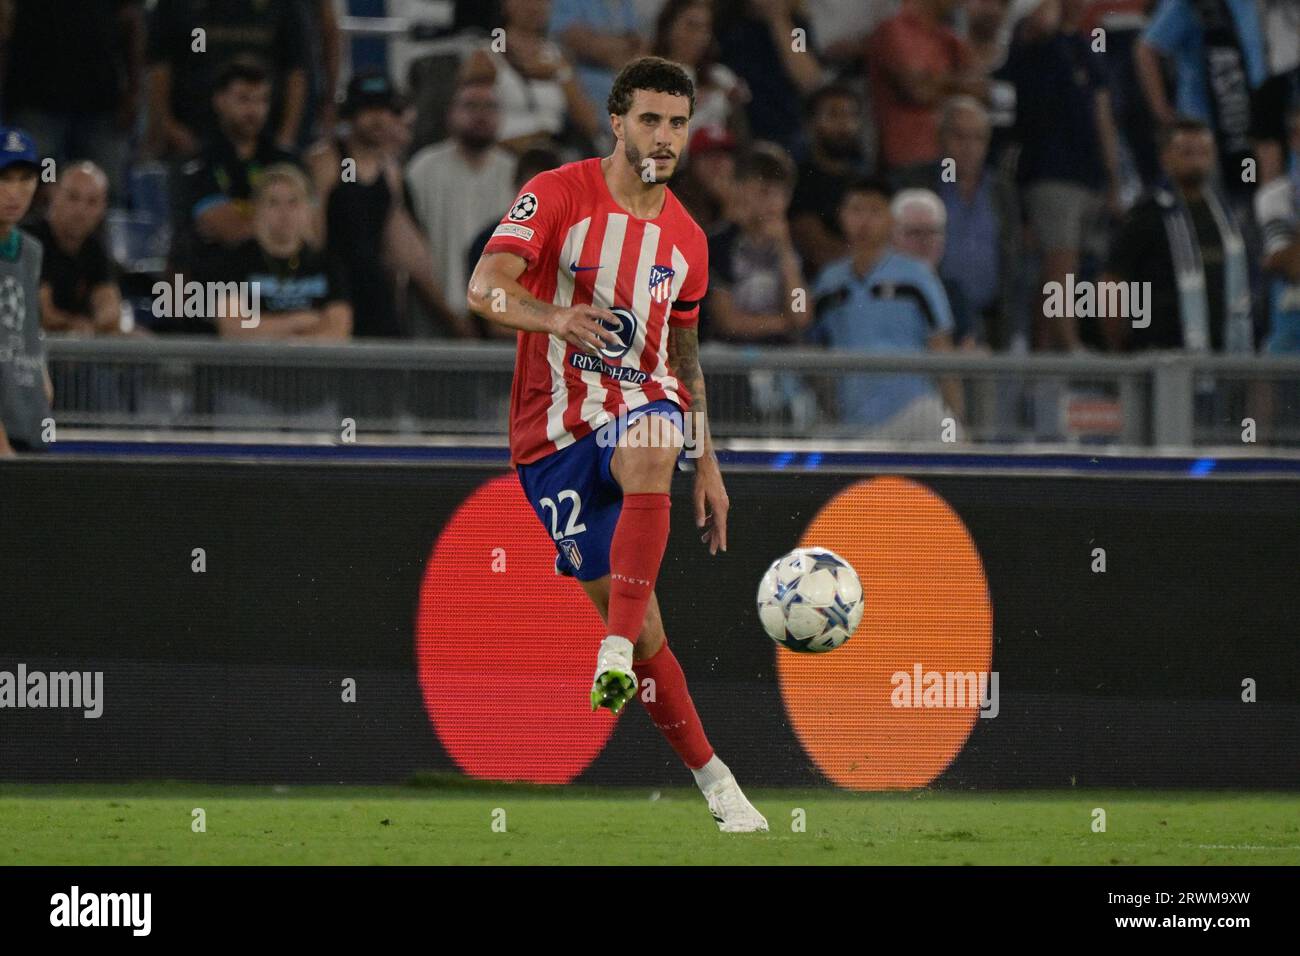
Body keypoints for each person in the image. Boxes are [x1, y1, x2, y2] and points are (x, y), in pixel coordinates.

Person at [466, 56, 768, 832]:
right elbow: (483, 287)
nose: (663, 137)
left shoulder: (689, 243)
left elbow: (684, 358)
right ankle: (713, 775)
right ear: (617, 120)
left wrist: (709, 461)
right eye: (649, 120)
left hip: (641, 408)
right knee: (650, 638)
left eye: (677, 122)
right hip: (552, 437)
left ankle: (615, 656)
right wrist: (556, 316)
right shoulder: (557, 195)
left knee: (653, 436)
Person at [308, 72, 468, 338]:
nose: (379, 119)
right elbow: (312, 236)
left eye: (385, 110)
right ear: (351, 113)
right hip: (334, 285)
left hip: (373, 287)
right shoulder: (327, 160)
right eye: (369, 109)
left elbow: (404, 247)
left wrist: (449, 314)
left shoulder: (389, 170)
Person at [808, 176, 964, 438]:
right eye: (856, 210)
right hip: (851, 424)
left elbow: (942, 349)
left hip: (914, 413)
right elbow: (813, 350)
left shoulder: (918, 276)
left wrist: (957, 416)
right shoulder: (827, 283)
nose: (864, 221)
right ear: (842, 216)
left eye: (874, 211)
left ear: (891, 220)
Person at [1100, 118, 1253, 354]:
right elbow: (1112, 283)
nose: (1196, 160)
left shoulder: (1228, 218)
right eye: (1186, 152)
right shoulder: (1147, 214)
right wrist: (1119, 346)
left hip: (1224, 360)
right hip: (1158, 357)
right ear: (1166, 158)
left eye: (1203, 152)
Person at [173, 59, 301, 290]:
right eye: (244, 99)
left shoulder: (286, 161)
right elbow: (230, 231)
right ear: (220, 101)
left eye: (262, 100)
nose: (254, 110)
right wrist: (281, 224)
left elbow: (310, 229)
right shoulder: (199, 164)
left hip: (279, 286)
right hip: (213, 285)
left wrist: (250, 219)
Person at [406, 81, 516, 335]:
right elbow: (412, 245)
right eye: (470, 106)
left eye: (490, 107)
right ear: (450, 114)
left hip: (498, 319)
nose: (480, 114)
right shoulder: (423, 169)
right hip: (434, 308)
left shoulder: (513, 173)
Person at [458, 0, 599, 154]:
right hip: (503, 152)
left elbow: (590, 125)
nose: (534, 6)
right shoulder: (486, 56)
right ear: (506, 4)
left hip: (551, 154)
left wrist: (561, 74)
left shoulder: (558, 57)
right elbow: (467, 120)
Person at [0, 128, 53, 455]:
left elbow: (29, 326)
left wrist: (42, 377)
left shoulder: (31, 250)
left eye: (25, 179)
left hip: (27, 418)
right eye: (4, 179)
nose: (15, 193)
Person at [28, 162, 122, 336]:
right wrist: (78, 326)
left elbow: (111, 311)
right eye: (73, 197)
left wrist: (90, 327)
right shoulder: (30, 241)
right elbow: (42, 314)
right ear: (54, 195)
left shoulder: (95, 247)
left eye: (92, 202)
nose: (81, 210)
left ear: (103, 208)